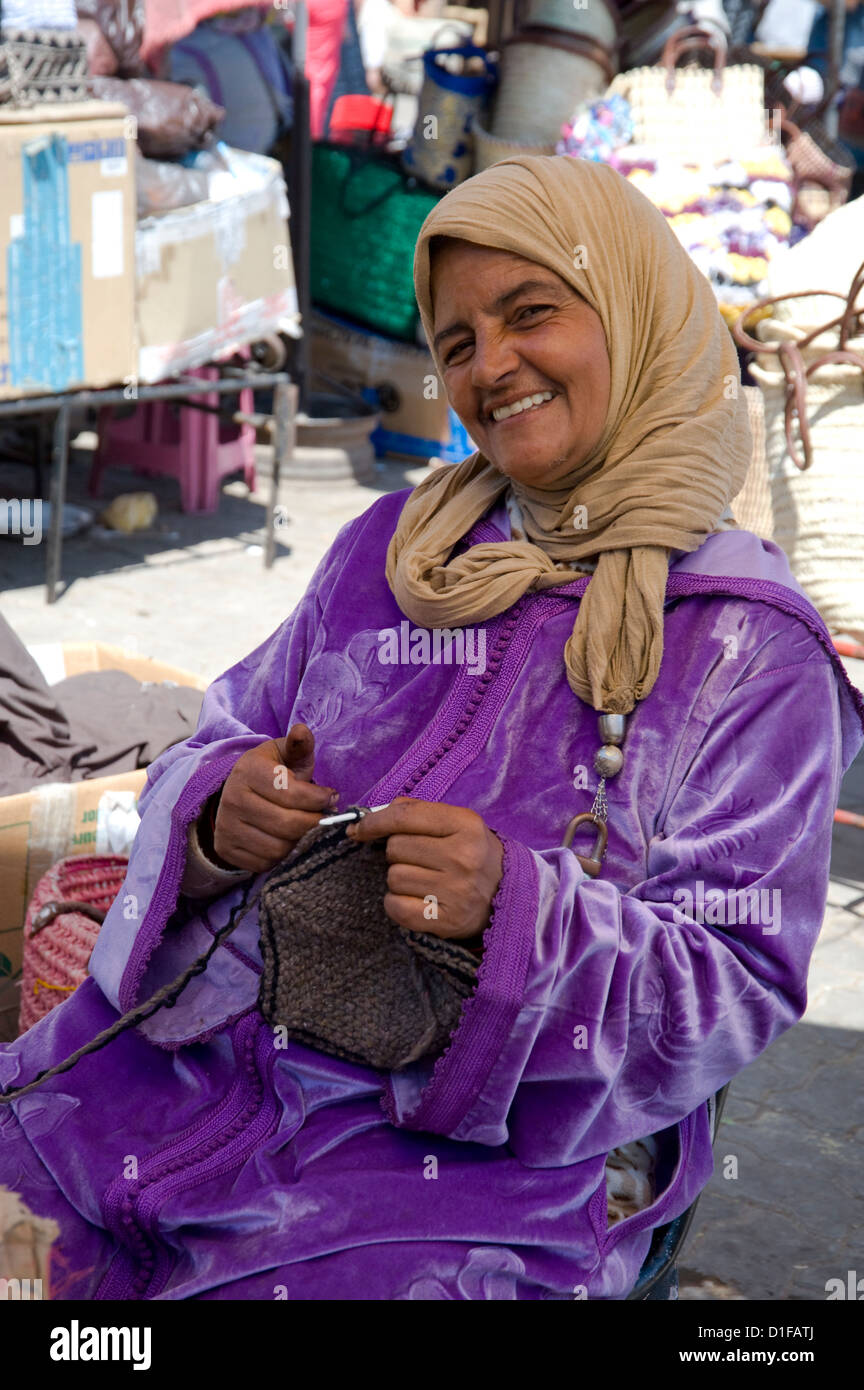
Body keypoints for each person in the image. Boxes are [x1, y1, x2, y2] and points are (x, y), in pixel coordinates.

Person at [1, 156, 862, 1302]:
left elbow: (736, 977)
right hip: (189, 1067)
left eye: (531, 313)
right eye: (456, 344)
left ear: (635, 314)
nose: (491, 367)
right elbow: (221, 731)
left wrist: (514, 914)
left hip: (468, 1162)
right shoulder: (389, 550)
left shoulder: (751, 646)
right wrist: (222, 806)